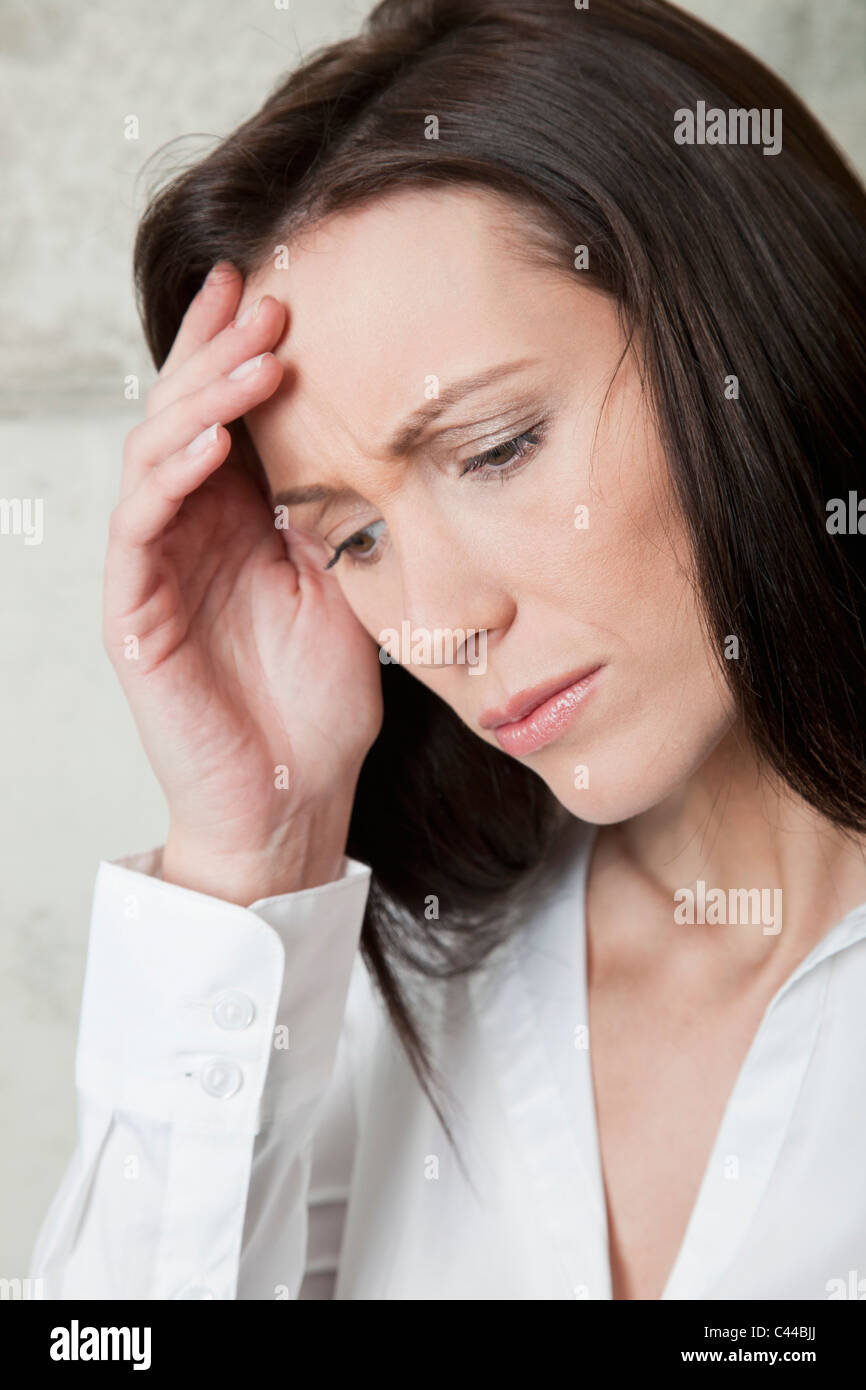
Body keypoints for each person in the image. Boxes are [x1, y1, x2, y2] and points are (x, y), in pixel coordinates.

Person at [30, 0, 866, 1300]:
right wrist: (256, 846)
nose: (437, 619)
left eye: (492, 450)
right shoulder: (368, 988)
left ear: (742, 337)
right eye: (351, 537)